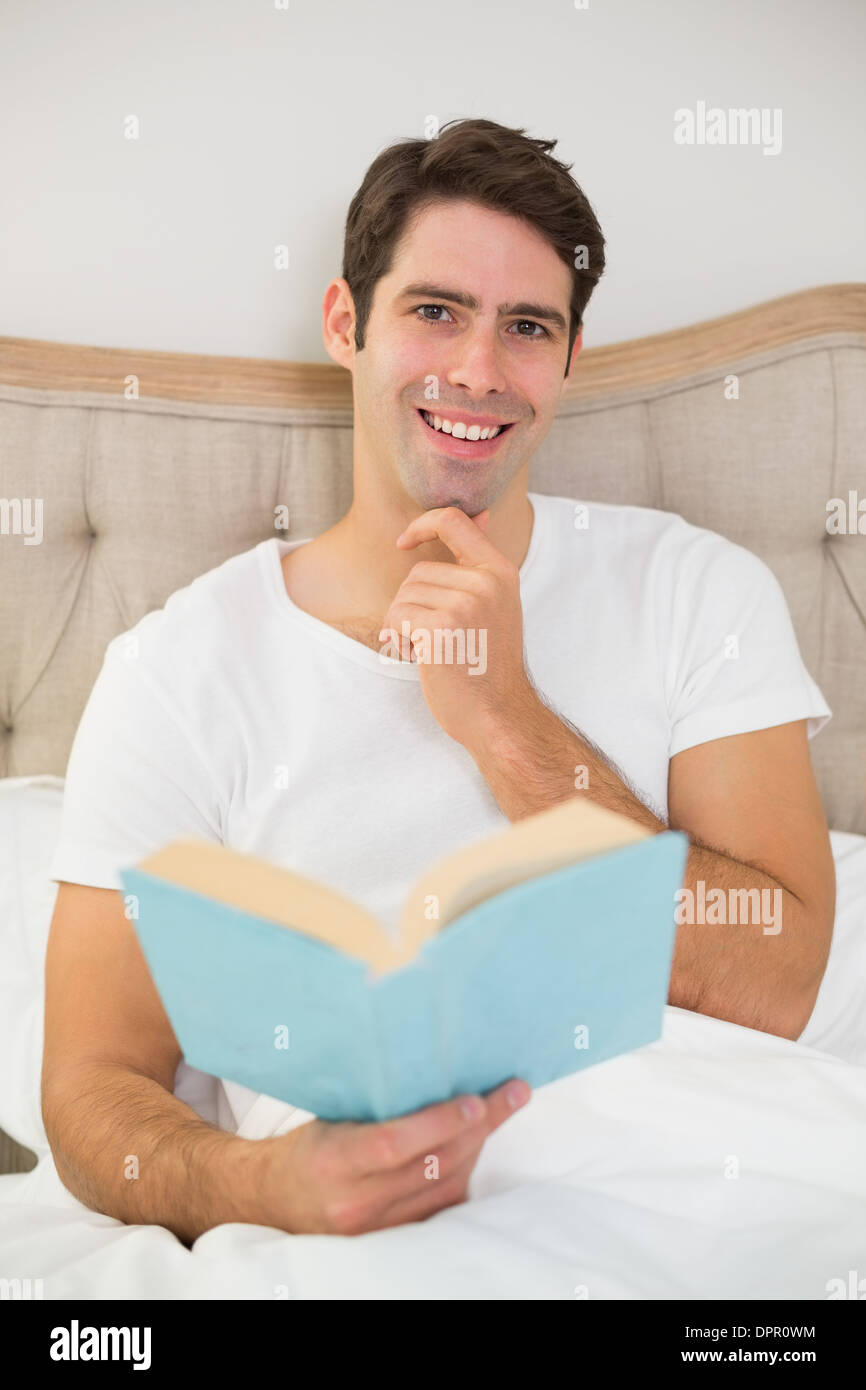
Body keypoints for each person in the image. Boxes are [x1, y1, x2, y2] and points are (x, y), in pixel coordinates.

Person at [42, 118, 835, 1244]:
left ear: (567, 361)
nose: (475, 369)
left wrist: (506, 721)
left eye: (525, 327)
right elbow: (91, 1086)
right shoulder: (176, 672)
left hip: (718, 1196)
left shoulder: (695, 589)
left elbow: (777, 982)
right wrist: (264, 1185)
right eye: (433, 311)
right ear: (343, 324)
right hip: (383, 1240)